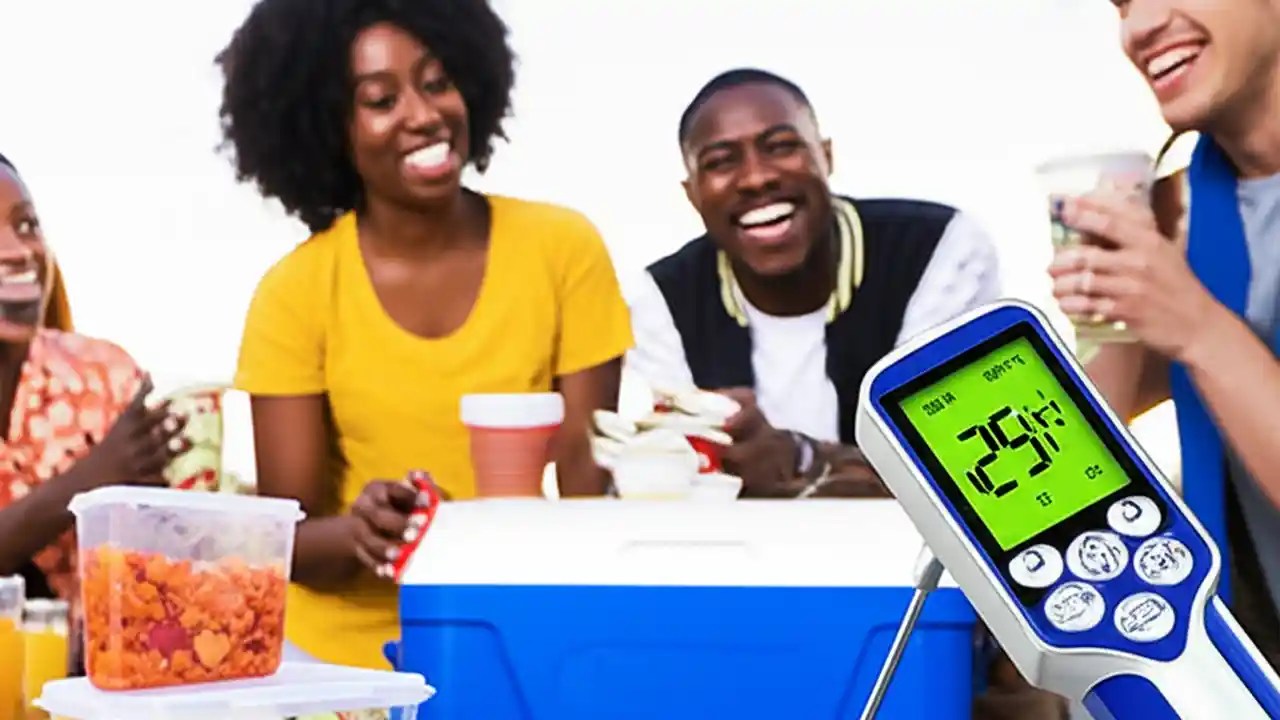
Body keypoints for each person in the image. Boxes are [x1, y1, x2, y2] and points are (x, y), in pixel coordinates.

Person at [218, 0, 634, 669]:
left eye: (438, 82)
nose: (422, 113)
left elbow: (588, 485)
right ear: (329, 127)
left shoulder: (564, 250)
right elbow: (285, 538)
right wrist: (361, 532)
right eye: (380, 99)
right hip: (344, 665)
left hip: (520, 632)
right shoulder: (294, 293)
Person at [625, 68, 1002, 498]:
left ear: (826, 156)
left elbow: (957, 463)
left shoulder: (935, 248)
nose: (756, 178)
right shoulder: (662, 299)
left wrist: (801, 459)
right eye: (720, 162)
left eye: (781, 147)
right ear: (692, 193)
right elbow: (675, 479)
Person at [1049, 0, 1280, 669]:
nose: (1138, 27)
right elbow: (1077, 468)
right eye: (1120, 4)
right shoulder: (1177, 210)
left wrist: (1194, 324)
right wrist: (1107, 300)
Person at [0, 153, 190, 672]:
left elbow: (184, 561)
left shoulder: (104, 378)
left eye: (27, 225)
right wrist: (90, 481)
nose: (17, 251)